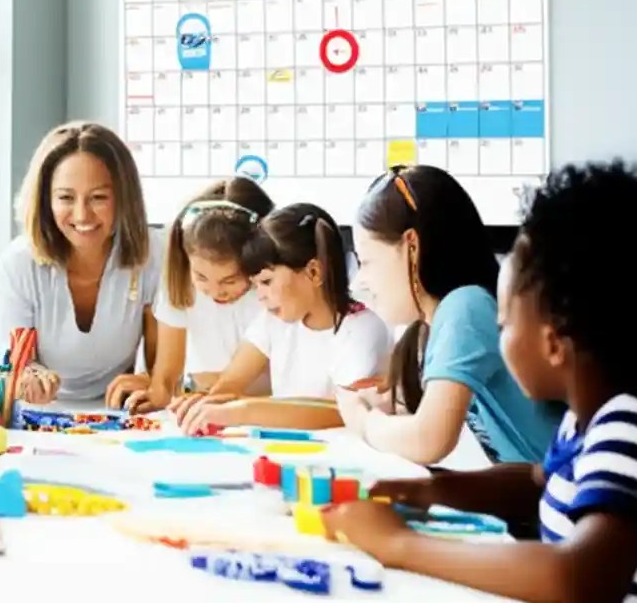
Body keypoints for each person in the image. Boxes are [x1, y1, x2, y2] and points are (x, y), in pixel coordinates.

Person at [323, 161, 637, 602]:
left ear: (552, 343)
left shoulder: (624, 430)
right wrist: (430, 490)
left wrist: (399, 545)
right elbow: (535, 482)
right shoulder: (584, 427)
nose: (496, 333)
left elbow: (579, 577)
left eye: (504, 323)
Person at [339, 164, 562, 464]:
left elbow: (428, 440)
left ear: (411, 246)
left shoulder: (465, 307)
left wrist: (364, 422)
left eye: (366, 262)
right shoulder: (443, 320)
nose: (359, 281)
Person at [174, 203, 391, 432]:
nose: (260, 296)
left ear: (314, 272)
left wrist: (242, 410)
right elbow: (232, 382)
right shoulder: (273, 320)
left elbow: (342, 410)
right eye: (256, 284)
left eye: (266, 282)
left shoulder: (360, 329)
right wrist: (207, 403)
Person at [0, 121, 164, 402]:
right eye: (65, 197)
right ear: (46, 201)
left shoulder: (154, 254)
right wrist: (29, 376)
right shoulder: (18, 263)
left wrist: (149, 381)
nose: (82, 215)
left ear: (124, 198)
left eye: (98, 197)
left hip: (121, 409)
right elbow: (18, 362)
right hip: (45, 411)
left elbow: (163, 373)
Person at [105, 177, 272, 413]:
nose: (215, 291)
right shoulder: (180, 283)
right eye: (201, 277)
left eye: (230, 280)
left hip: (259, 408)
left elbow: (249, 382)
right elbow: (166, 376)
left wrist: (210, 391)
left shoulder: (269, 295)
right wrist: (155, 394)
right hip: (205, 402)